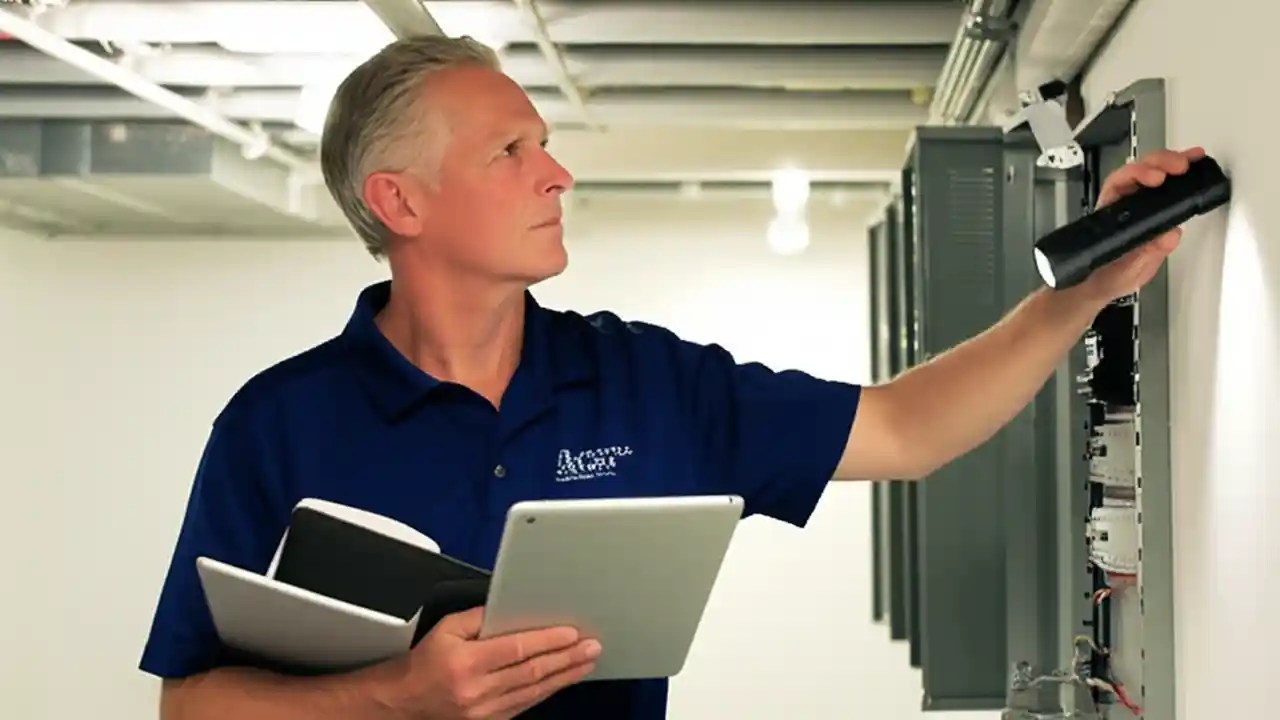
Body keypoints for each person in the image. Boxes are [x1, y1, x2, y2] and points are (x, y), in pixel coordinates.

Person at [138, 34, 1202, 720]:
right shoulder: (274, 425)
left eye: (545, 143)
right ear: (400, 204)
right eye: (509, 152)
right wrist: (398, 696)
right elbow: (189, 709)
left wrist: (1084, 287)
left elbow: (904, 428)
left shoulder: (644, 380)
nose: (557, 173)